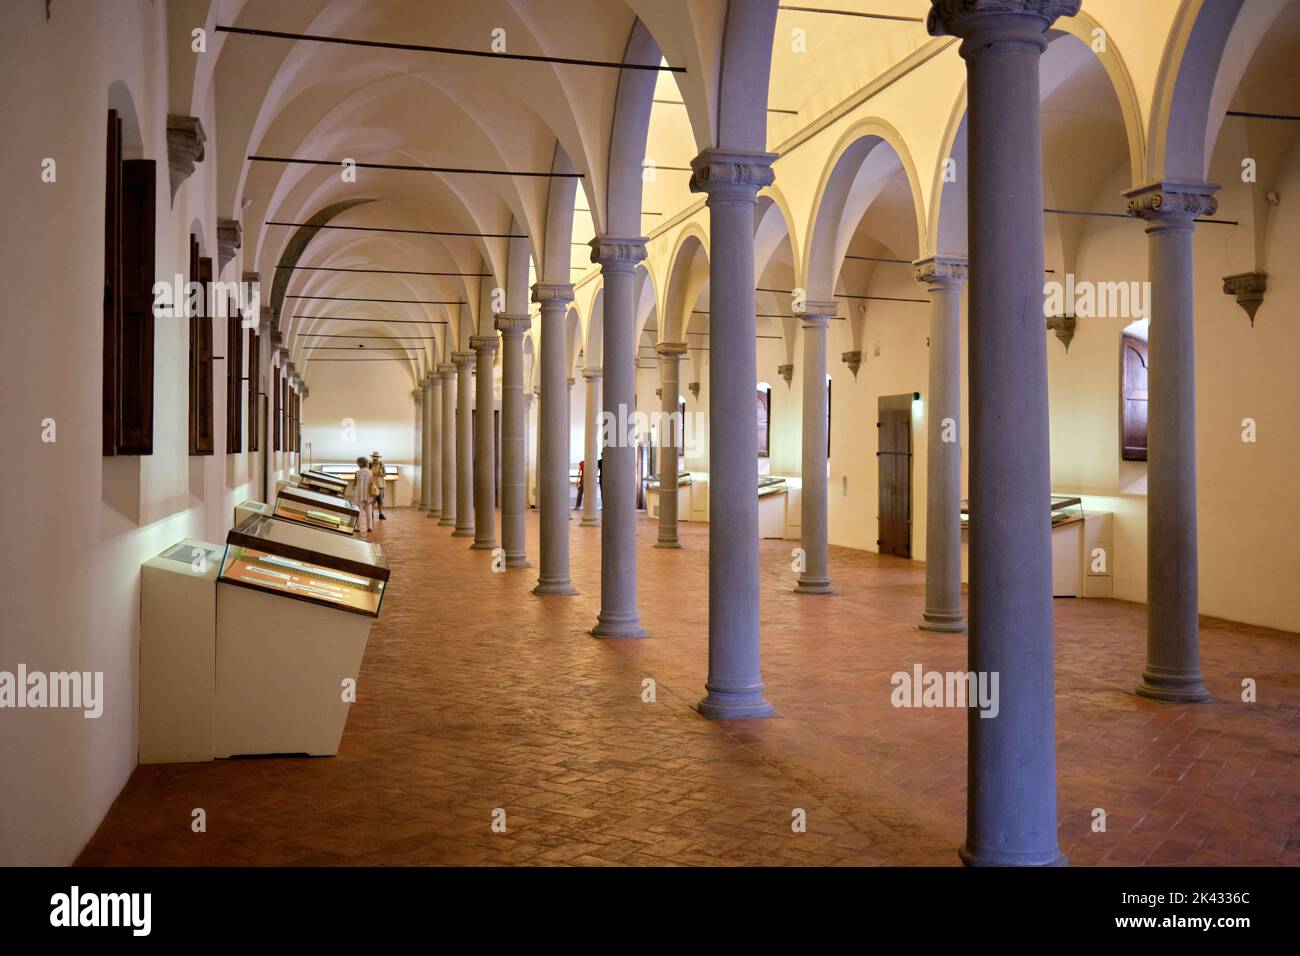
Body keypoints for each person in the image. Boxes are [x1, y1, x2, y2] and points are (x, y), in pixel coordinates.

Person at [352, 456, 376, 533]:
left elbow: (355, 484)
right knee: (369, 510)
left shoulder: (357, 472)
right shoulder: (370, 472)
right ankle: (369, 527)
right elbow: (372, 483)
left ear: (359, 463)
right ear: (366, 463)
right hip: (368, 494)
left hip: (359, 494)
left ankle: (358, 528)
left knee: (359, 511)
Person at [369, 451, 387, 519]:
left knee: (380, 501)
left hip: (380, 485)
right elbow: (367, 474)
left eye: (376, 457)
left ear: (378, 458)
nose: (375, 458)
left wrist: (380, 474)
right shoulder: (369, 464)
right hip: (372, 485)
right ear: (372, 457)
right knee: (372, 501)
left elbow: (385, 474)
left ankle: (381, 514)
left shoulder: (382, 465)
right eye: (374, 457)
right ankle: (371, 513)